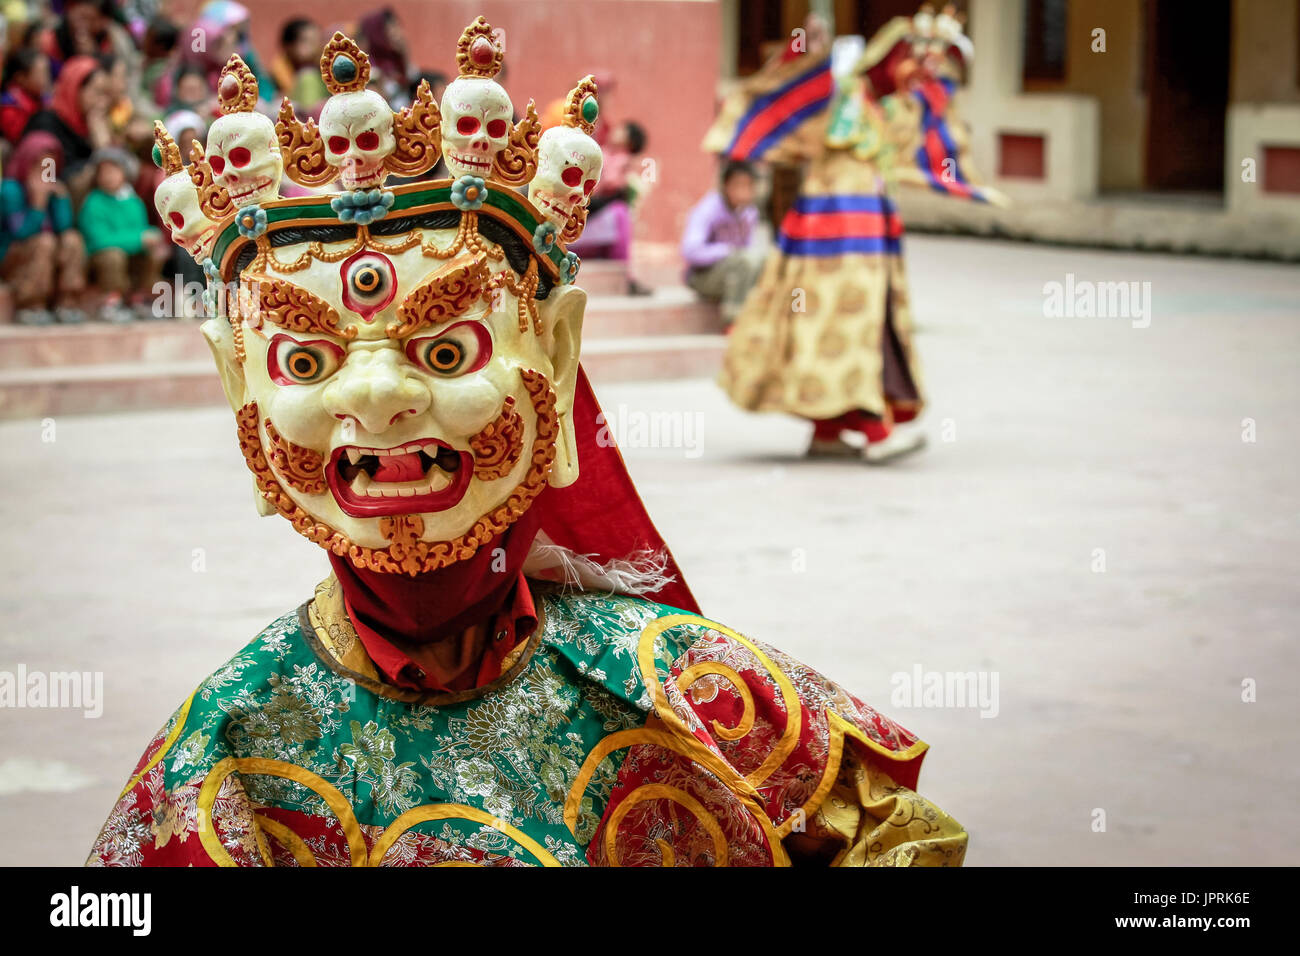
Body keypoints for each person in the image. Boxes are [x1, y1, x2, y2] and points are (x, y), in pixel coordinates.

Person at [87, 23, 966, 867]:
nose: (377, 397)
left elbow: (894, 837)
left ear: (555, 357)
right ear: (243, 393)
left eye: (444, 350)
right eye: (308, 360)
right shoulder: (228, 752)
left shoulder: (679, 688)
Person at [703, 7, 1000, 463]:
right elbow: (792, 91)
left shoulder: (893, 107)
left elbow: (917, 141)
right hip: (829, 230)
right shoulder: (839, 93)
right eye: (911, 59)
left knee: (861, 321)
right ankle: (875, 433)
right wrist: (808, 47)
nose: (917, 71)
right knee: (843, 324)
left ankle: (828, 429)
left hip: (869, 230)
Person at [0, 132, 87, 325]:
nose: (45, 171)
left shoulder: (53, 190)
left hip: (46, 256)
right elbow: (19, 233)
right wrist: (37, 205)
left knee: (72, 238)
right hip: (14, 258)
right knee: (44, 242)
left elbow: (64, 227)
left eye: (50, 165)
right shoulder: (10, 190)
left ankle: (67, 303)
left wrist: (62, 199)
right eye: (39, 164)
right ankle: (31, 305)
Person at [77, 146, 168, 321]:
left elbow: (141, 230)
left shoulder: (133, 202)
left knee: (154, 251)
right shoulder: (93, 202)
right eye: (103, 172)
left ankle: (141, 298)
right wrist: (140, 239)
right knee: (113, 256)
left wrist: (152, 236)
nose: (108, 176)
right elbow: (99, 240)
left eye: (113, 171)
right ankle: (111, 302)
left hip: (131, 256)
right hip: (101, 259)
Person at [569, 119, 652, 295]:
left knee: (621, 213)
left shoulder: (622, 160)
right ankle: (627, 278)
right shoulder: (603, 151)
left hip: (592, 209)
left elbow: (610, 184)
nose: (616, 130)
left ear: (629, 141)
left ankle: (626, 277)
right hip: (580, 208)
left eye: (622, 130)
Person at [680, 159, 762, 325]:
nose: (745, 191)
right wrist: (727, 251)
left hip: (735, 271)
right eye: (739, 185)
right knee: (745, 261)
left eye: (749, 186)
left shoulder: (750, 213)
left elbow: (749, 249)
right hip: (701, 276)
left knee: (763, 261)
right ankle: (733, 321)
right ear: (726, 186)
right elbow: (690, 251)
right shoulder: (708, 208)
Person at [22, 55, 112, 198]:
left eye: (106, 95)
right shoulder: (46, 123)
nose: (103, 102)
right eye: (97, 92)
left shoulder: (89, 124)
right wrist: (101, 147)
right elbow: (48, 179)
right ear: (75, 89)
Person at [270, 17, 327, 115]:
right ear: (289, 46)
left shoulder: (324, 68)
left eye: (316, 40)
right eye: (306, 41)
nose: (315, 46)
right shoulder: (278, 71)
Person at [1, 49, 51, 143]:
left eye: (47, 71)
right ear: (21, 78)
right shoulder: (9, 106)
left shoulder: (44, 98)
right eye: (41, 73)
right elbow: (19, 140)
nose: (46, 78)